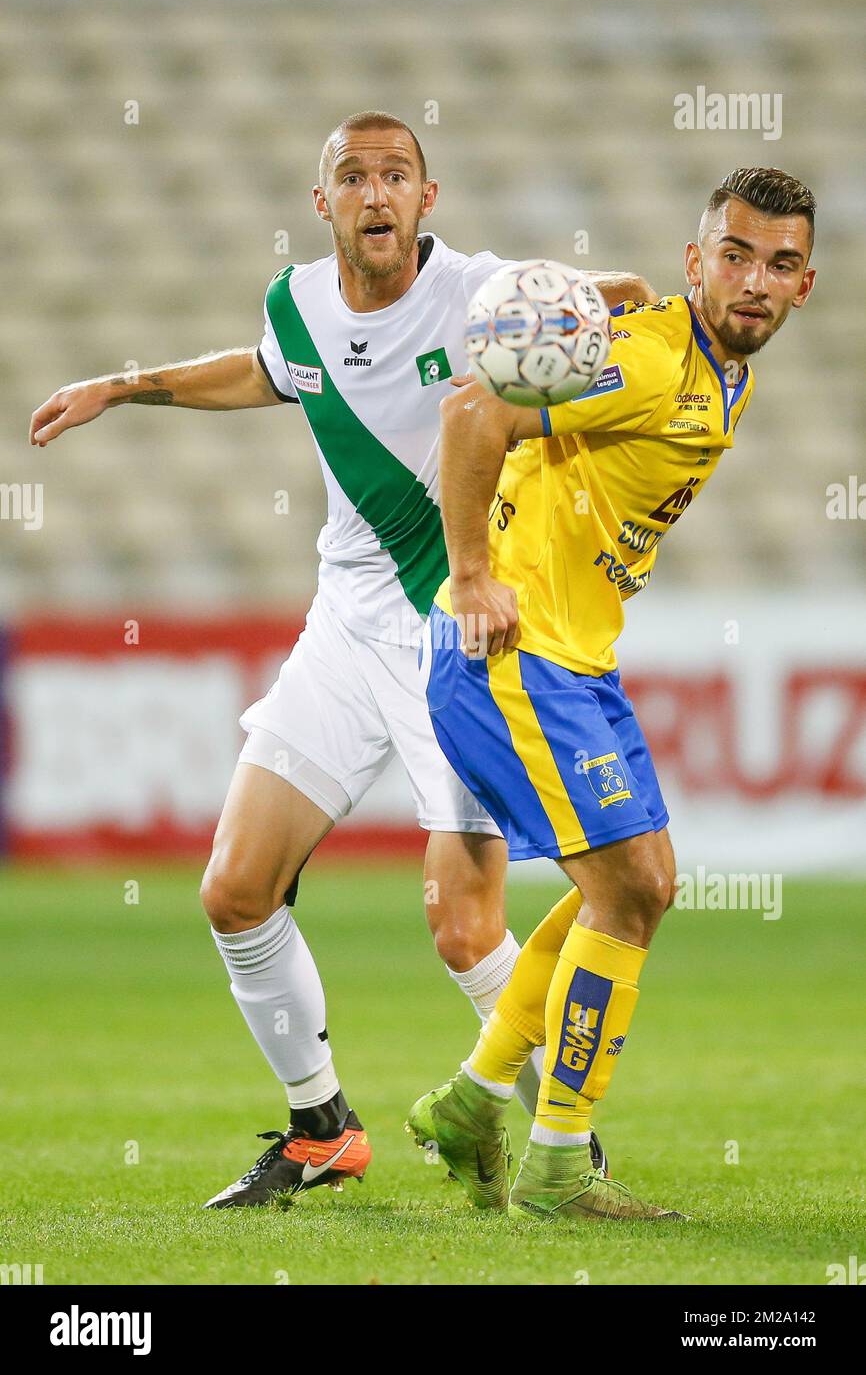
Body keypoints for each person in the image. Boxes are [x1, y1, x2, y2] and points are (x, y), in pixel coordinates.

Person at [29, 110, 653, 1208]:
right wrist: (122, 388)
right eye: (353, 177)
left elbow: (589, 296)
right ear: (322, 202)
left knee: (462, 927)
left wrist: (612, 294)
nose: (376, 194)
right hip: (344, 625)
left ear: (428, 196)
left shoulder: (472, 290)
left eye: (396, 176)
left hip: (451, 630)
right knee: (232, 891)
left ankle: (566, 1133)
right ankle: (322, 1127)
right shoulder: (297, 306)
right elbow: (268, 374)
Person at [408, 167, 816, 1221]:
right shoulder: (644, 361)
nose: (752, 282)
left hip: (576, 657)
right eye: (732, 255)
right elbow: (470, 415)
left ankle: (471, 1097)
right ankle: (555, 1163)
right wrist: (468, 576)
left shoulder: (725, 372)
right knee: (628, 889)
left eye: (776, 264)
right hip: (511, 652)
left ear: (803, 284)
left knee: (642, 886)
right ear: (696, 263)